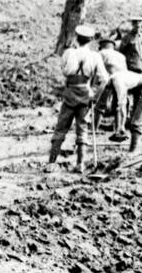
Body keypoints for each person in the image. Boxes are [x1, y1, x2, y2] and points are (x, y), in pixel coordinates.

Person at [47, 23, 109, 172]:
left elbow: (63, 70)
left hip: (70, 92)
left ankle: (51, 163)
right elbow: (104, 79)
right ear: (91, 40)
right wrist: (95, 94)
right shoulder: (95, 56)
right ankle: (80, 164)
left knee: (61, 128)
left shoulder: (69, 53)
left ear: (77, 38)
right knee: (82, 129)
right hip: (86, 94)